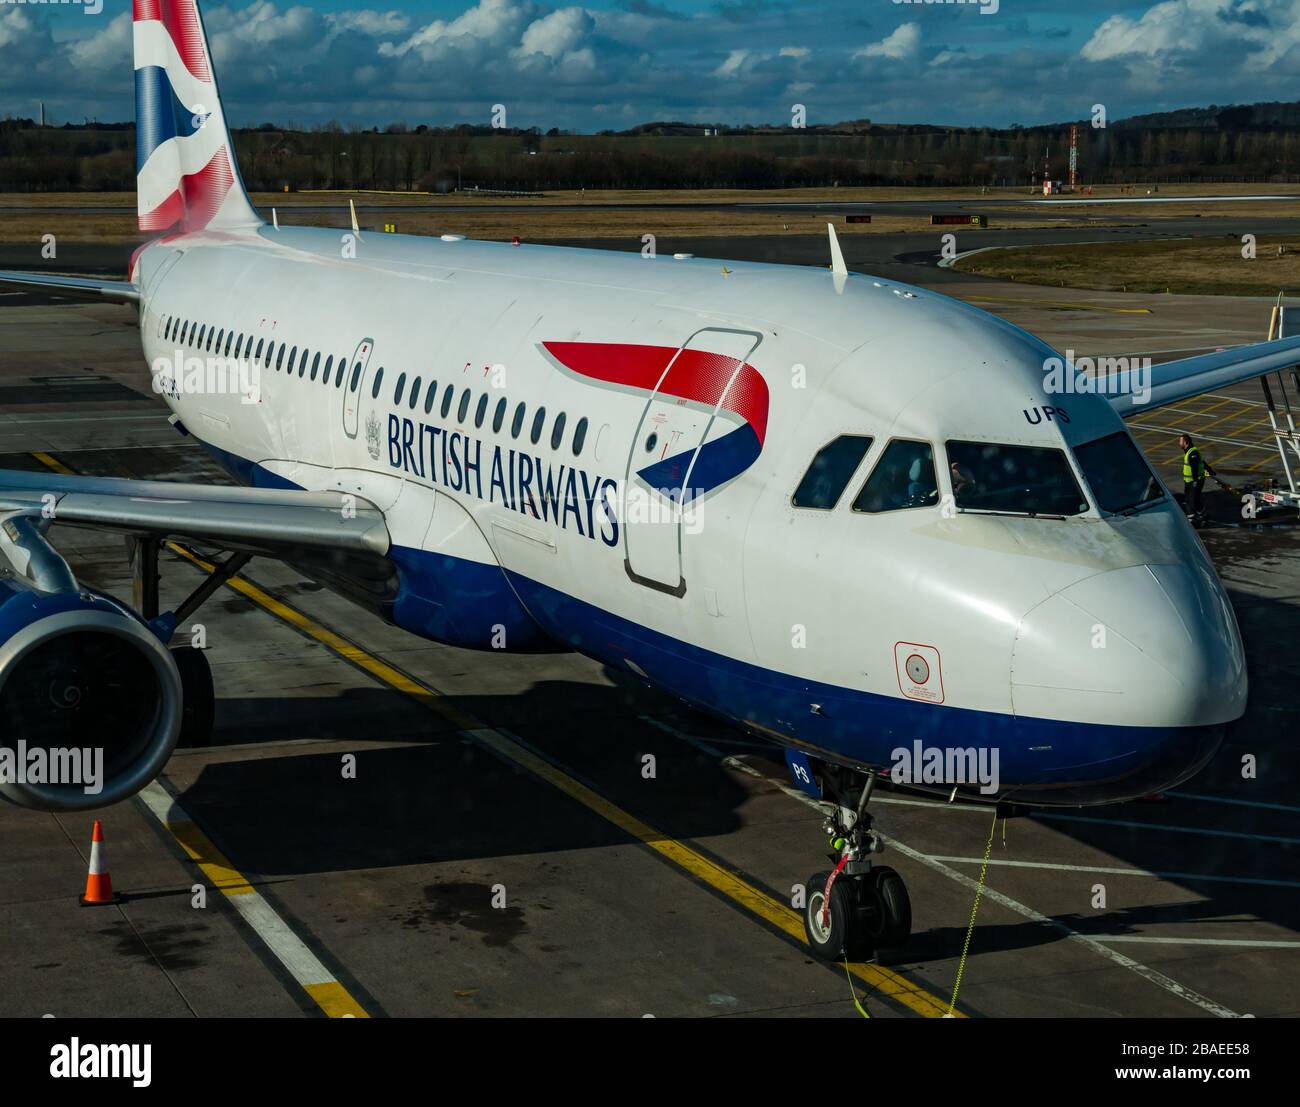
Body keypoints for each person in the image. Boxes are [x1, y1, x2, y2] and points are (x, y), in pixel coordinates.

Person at [1178, 432, 1215, 528]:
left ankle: (1203, 515)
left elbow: (1195, 467)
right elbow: (1202, 462)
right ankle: (1191, 519)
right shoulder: (1188, 451)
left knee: (1193, 500)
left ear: (1185, 442)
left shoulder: (1192, 453)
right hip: (1188, 481)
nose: (1179, 443)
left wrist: (1195, 481)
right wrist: (1209, 469)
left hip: (1195, 481)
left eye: (1180, 441)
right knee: (1188, 500)